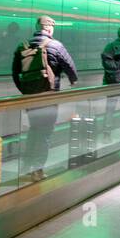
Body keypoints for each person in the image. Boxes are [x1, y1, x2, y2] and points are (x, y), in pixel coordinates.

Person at [14, 14, 79, 182]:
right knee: (44, 133)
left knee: (33, 130)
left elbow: (15, 73)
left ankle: (26, 168)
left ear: (37, 28)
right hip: (49, 96)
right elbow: (70, 67)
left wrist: (25, 90)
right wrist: (73, 82)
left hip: (30, 97)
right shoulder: (55, 45)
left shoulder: (23, 46)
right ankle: (38, 170)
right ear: (50, 28)